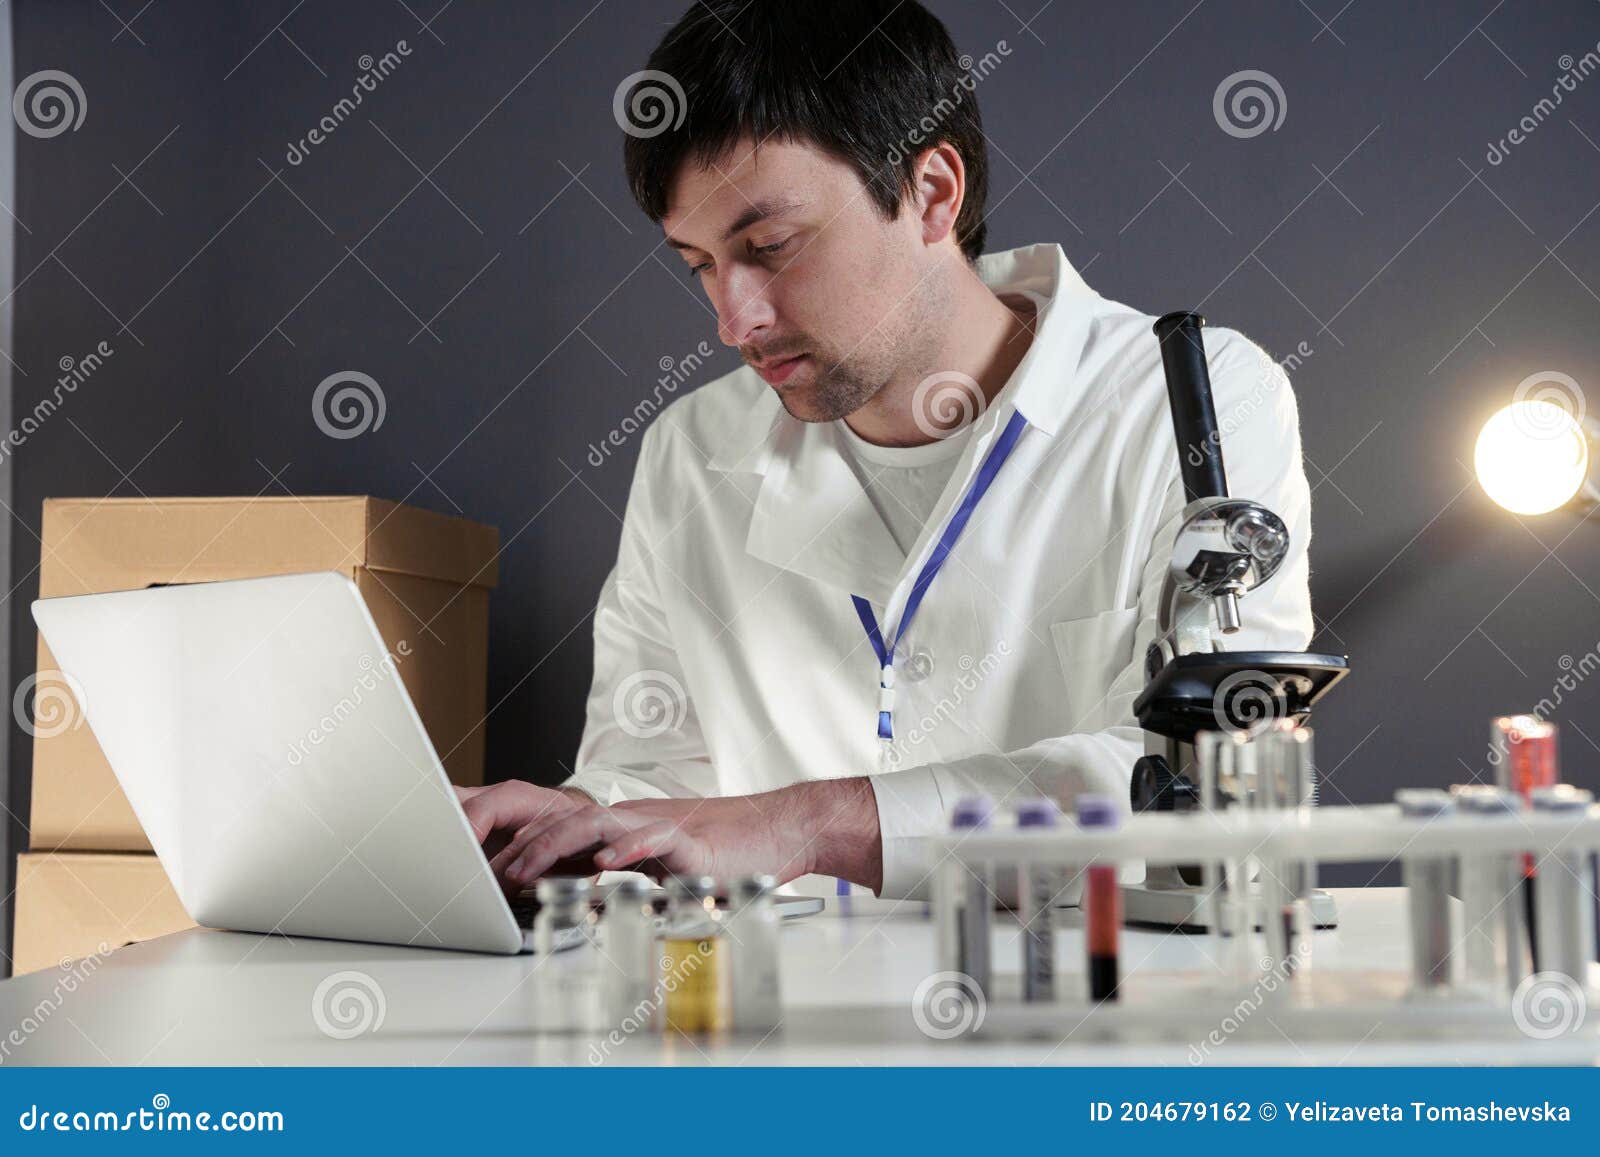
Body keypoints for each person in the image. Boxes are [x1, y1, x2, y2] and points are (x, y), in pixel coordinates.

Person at [460, 0, 1312, 900]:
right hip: (775, 1030)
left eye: (770, 246)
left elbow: (1219, 778)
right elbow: (658, 781)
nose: (731, 319)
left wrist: (809, 824)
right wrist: (567, 826)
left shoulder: (1194, 401)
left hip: (1091, 1018)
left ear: (934, 193)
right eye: (699, 263)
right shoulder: (691, 452)